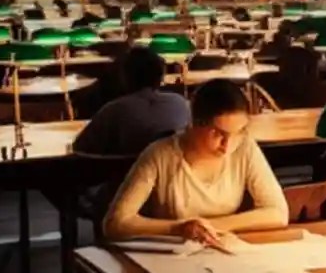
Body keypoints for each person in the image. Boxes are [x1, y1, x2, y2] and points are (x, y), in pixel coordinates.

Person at [102, 79, 289, 245]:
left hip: (224, 251)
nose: (228, 145)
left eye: (239, 132)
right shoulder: (160, 155)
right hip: (172, 259)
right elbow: (115, 223)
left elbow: (278, 213)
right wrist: (179, 228)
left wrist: (209, 227)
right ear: (194, 124)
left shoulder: (245, 148)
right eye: (218, 133)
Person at [73, 46, 191, 156]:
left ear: (124, 77)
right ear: (161, 77)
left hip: (124, 176)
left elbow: (79, 148)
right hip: (176, 174)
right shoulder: (180, 104)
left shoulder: (113, 111)